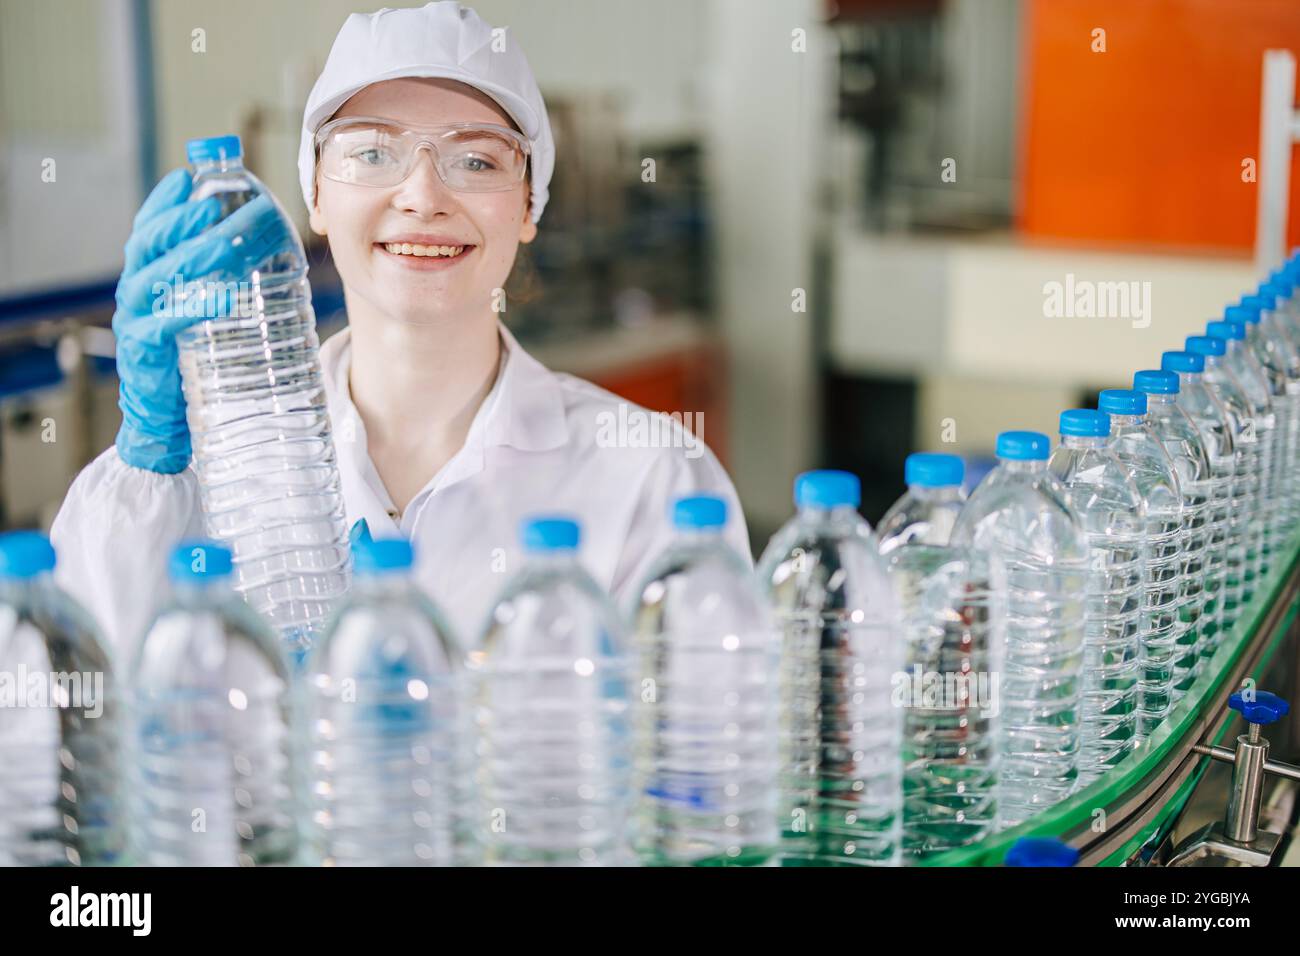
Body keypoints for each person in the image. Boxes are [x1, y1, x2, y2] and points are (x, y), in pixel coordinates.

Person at [50, 1, 747, 653]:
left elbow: (704, 764)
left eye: (476, 159)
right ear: (315, 193)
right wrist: (147, 470)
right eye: (372, 153)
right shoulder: (203, 468)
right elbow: (87, 705)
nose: (422, 197)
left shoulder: (654, 480)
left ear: (529, 204)